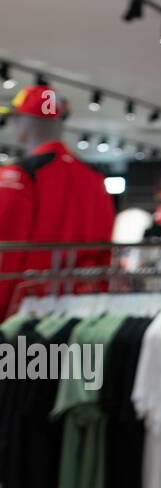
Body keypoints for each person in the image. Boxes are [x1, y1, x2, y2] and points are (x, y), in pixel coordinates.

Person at [0, 85, 116, 319]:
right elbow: (104, 253)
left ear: (27, 121)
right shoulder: (95, 180)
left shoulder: (19, 176)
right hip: (82, 311)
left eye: (15, 118)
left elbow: (6, 254)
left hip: (25, 312)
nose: (13, 126)